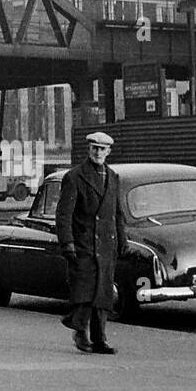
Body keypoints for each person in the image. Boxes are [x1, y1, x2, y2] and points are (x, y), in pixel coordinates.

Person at [56, 131, 126, 355]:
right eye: (94, 148)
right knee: (86, 289)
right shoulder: (75, 177)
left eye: (102, 149)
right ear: (89, 150)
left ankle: (99, 339)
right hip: (83, 243)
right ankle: (80, 332)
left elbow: (117, 212)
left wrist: (122, 239)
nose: (98, 152)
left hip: (106, 244)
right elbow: (64, 214)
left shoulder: (113, 177)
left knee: (103, 293)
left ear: (109, 152)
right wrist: (67, 243)